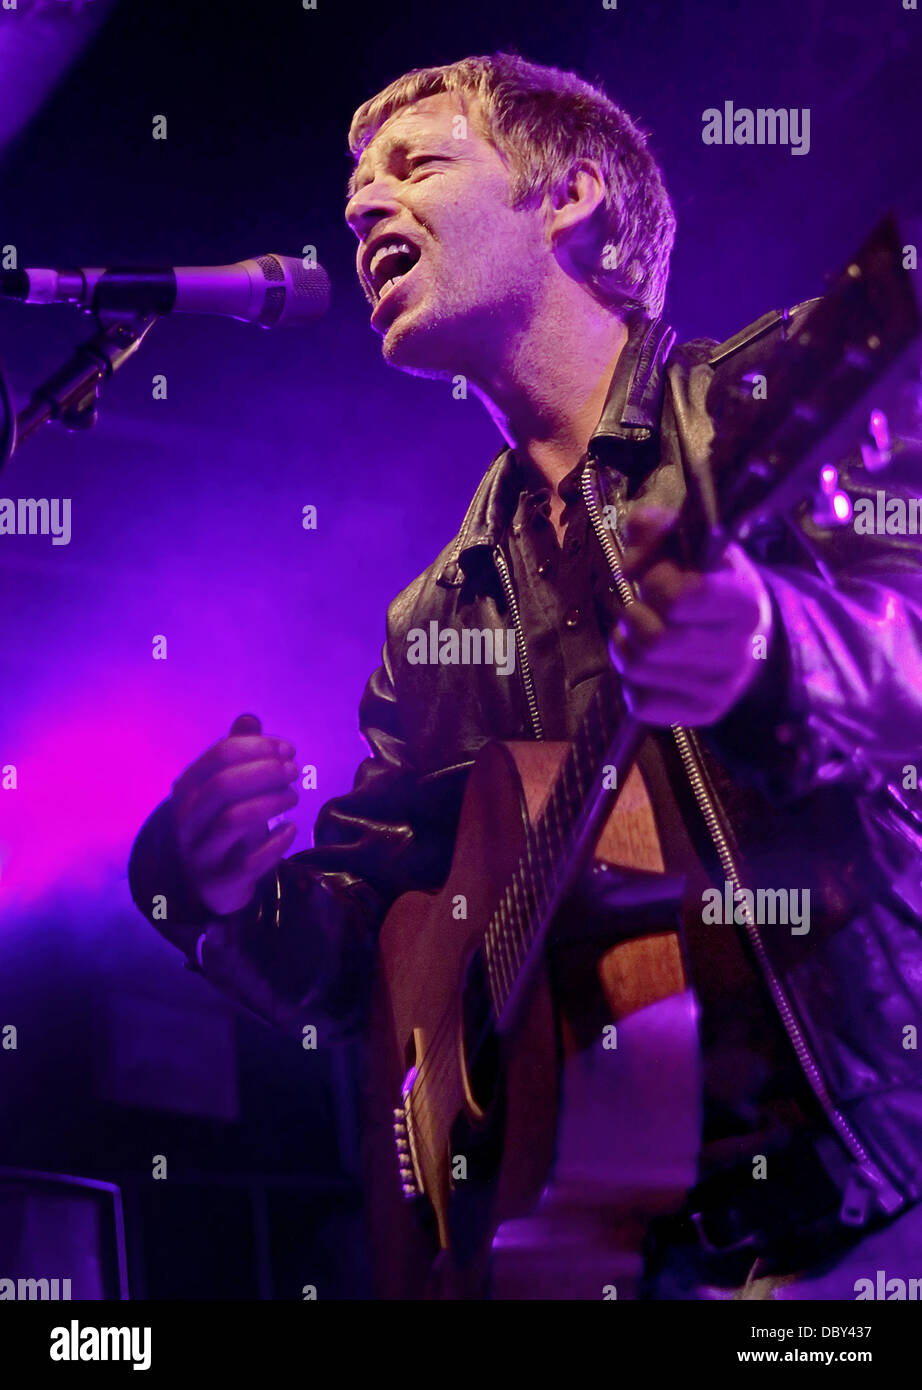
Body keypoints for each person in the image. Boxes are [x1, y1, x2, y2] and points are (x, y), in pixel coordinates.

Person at [129, 53, 922, 1299]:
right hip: (629, 1251)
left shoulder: (757, 401)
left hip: (879, 1196)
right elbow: (370, 953)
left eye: (418, 165)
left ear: (573, 198)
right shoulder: (436, 612)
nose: (361, 209)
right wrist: (207, 896)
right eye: (354, 193)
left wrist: (770, 646)